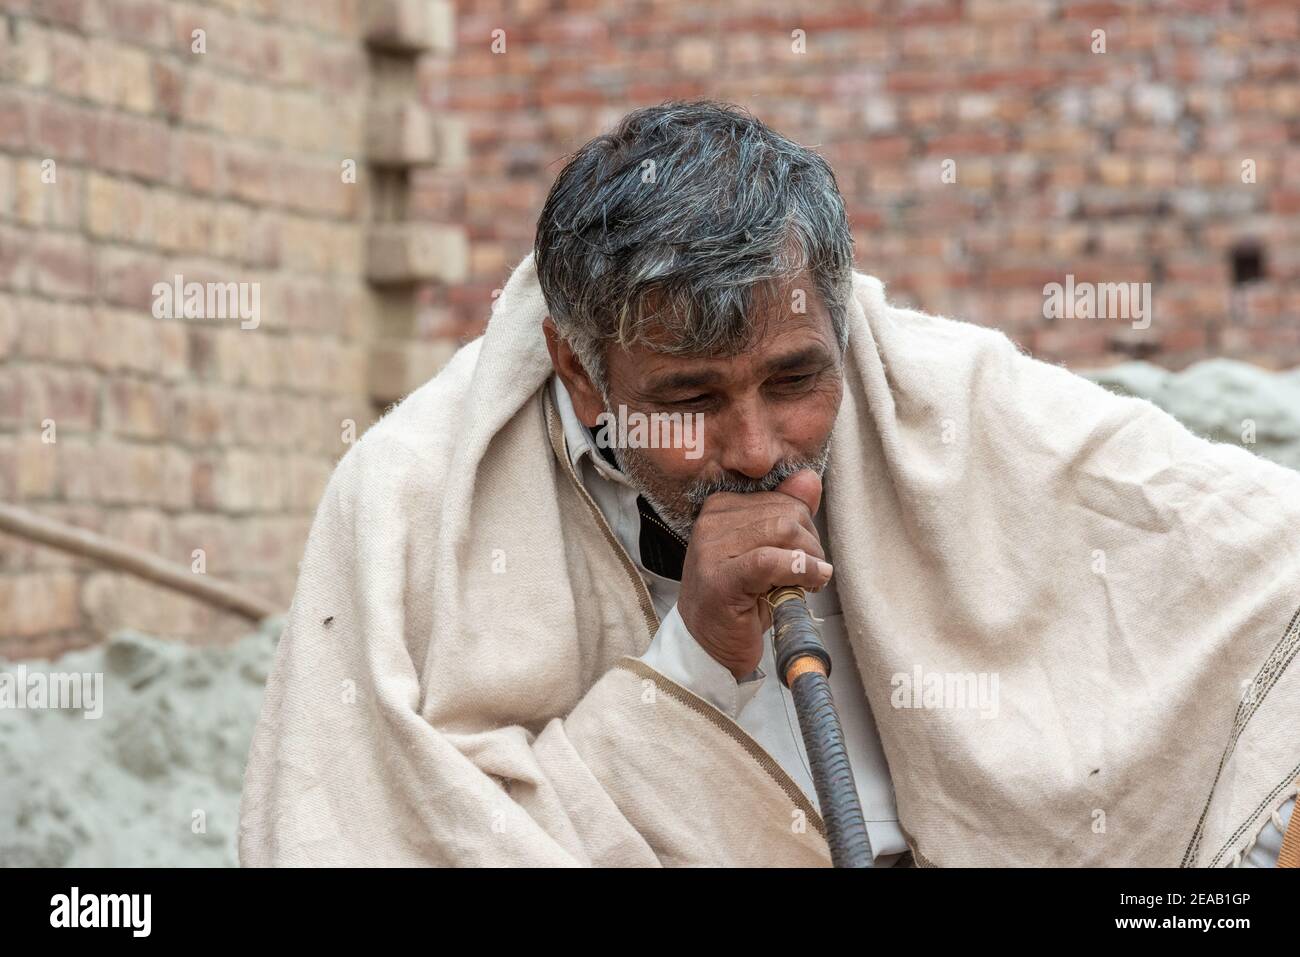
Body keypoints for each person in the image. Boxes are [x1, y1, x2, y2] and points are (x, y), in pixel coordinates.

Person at [239, 100, 1299, 867]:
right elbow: (360, 837)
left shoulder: (936, 391)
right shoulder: (408, 502)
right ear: (578, 369)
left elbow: (1258, 560)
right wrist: (696, 664)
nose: (754, 447)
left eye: (794, 379)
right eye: (689, 400)